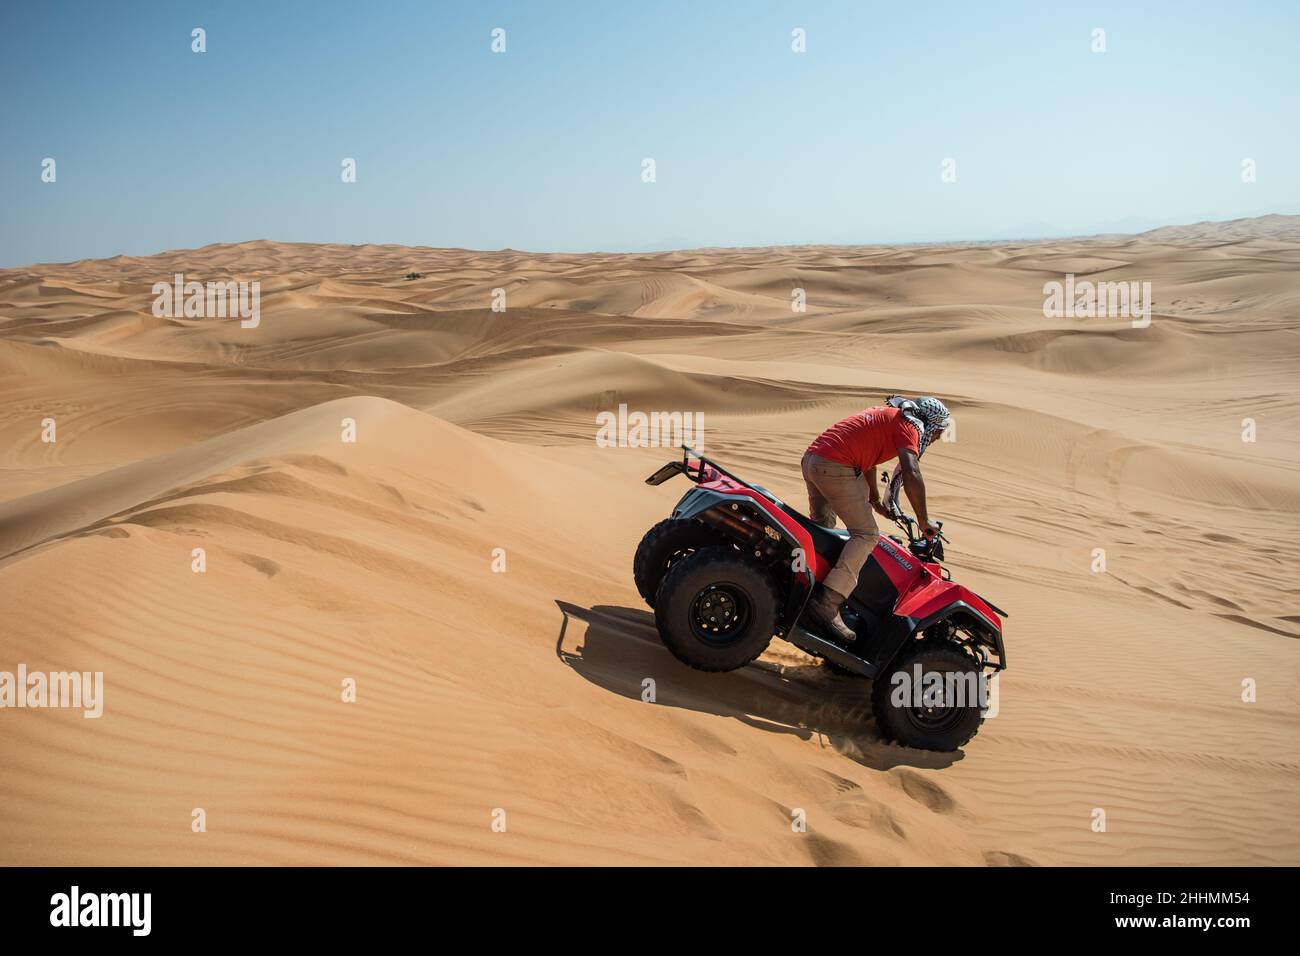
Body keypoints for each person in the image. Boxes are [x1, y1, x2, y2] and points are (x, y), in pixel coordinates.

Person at [801, 396, 950, 642]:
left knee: (823, 529)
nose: (935, 439)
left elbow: (867, 461)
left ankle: (807, 585)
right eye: (938, 433)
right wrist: (924, 522)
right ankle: (827, 603)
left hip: (815, 460)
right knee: (867, 534)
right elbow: (912, 471)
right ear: (930, 424)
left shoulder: (890, 417)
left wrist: (875, 500)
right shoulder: (909, 427)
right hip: (835, 465)